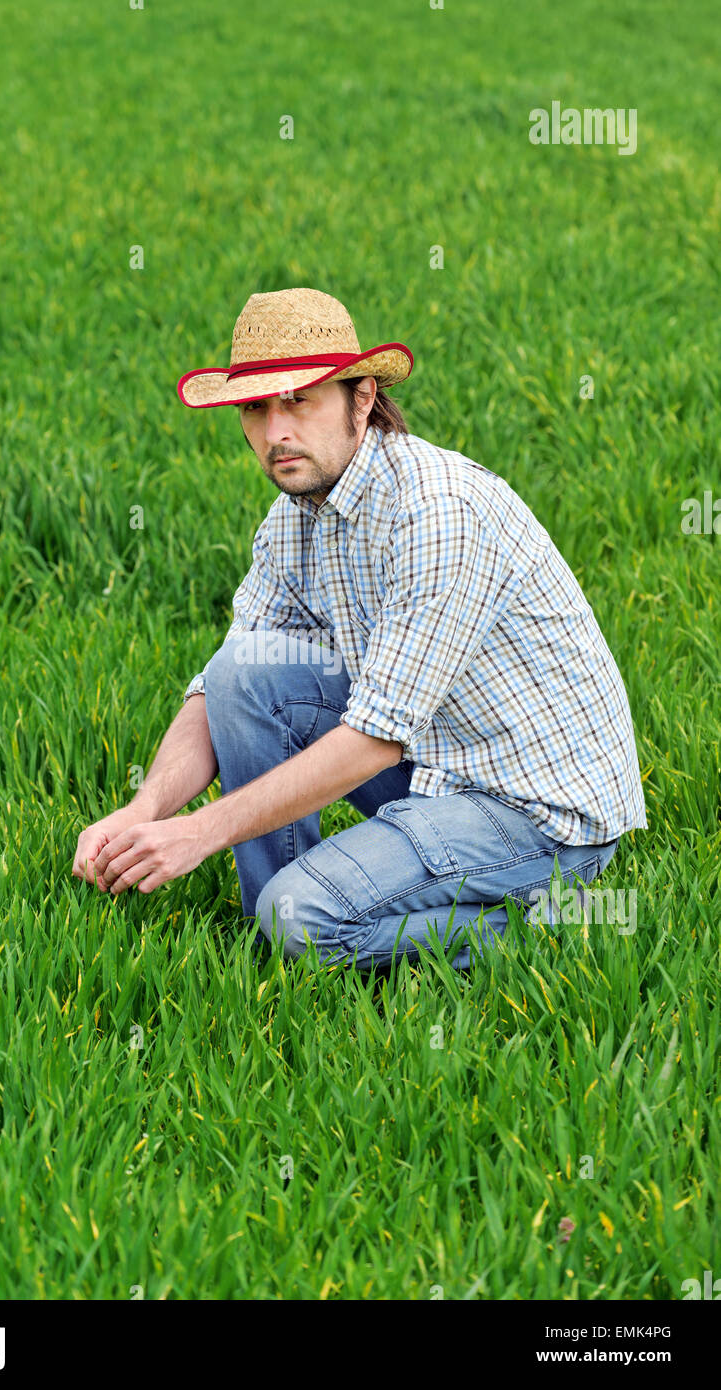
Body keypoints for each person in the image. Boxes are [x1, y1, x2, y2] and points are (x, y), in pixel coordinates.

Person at [72, 287, 647, 971]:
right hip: (438, 762)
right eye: (255, 408)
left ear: (362, 397)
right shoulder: (295, 519)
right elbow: (221, 683)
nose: (275, 431)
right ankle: (277, 930)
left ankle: (542, 923)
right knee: (242, 675)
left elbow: (376, 737)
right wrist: (146, 809)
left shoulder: (438, 511)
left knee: (302, 919)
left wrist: (198, 833)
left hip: (532, 810)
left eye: (299, 400)